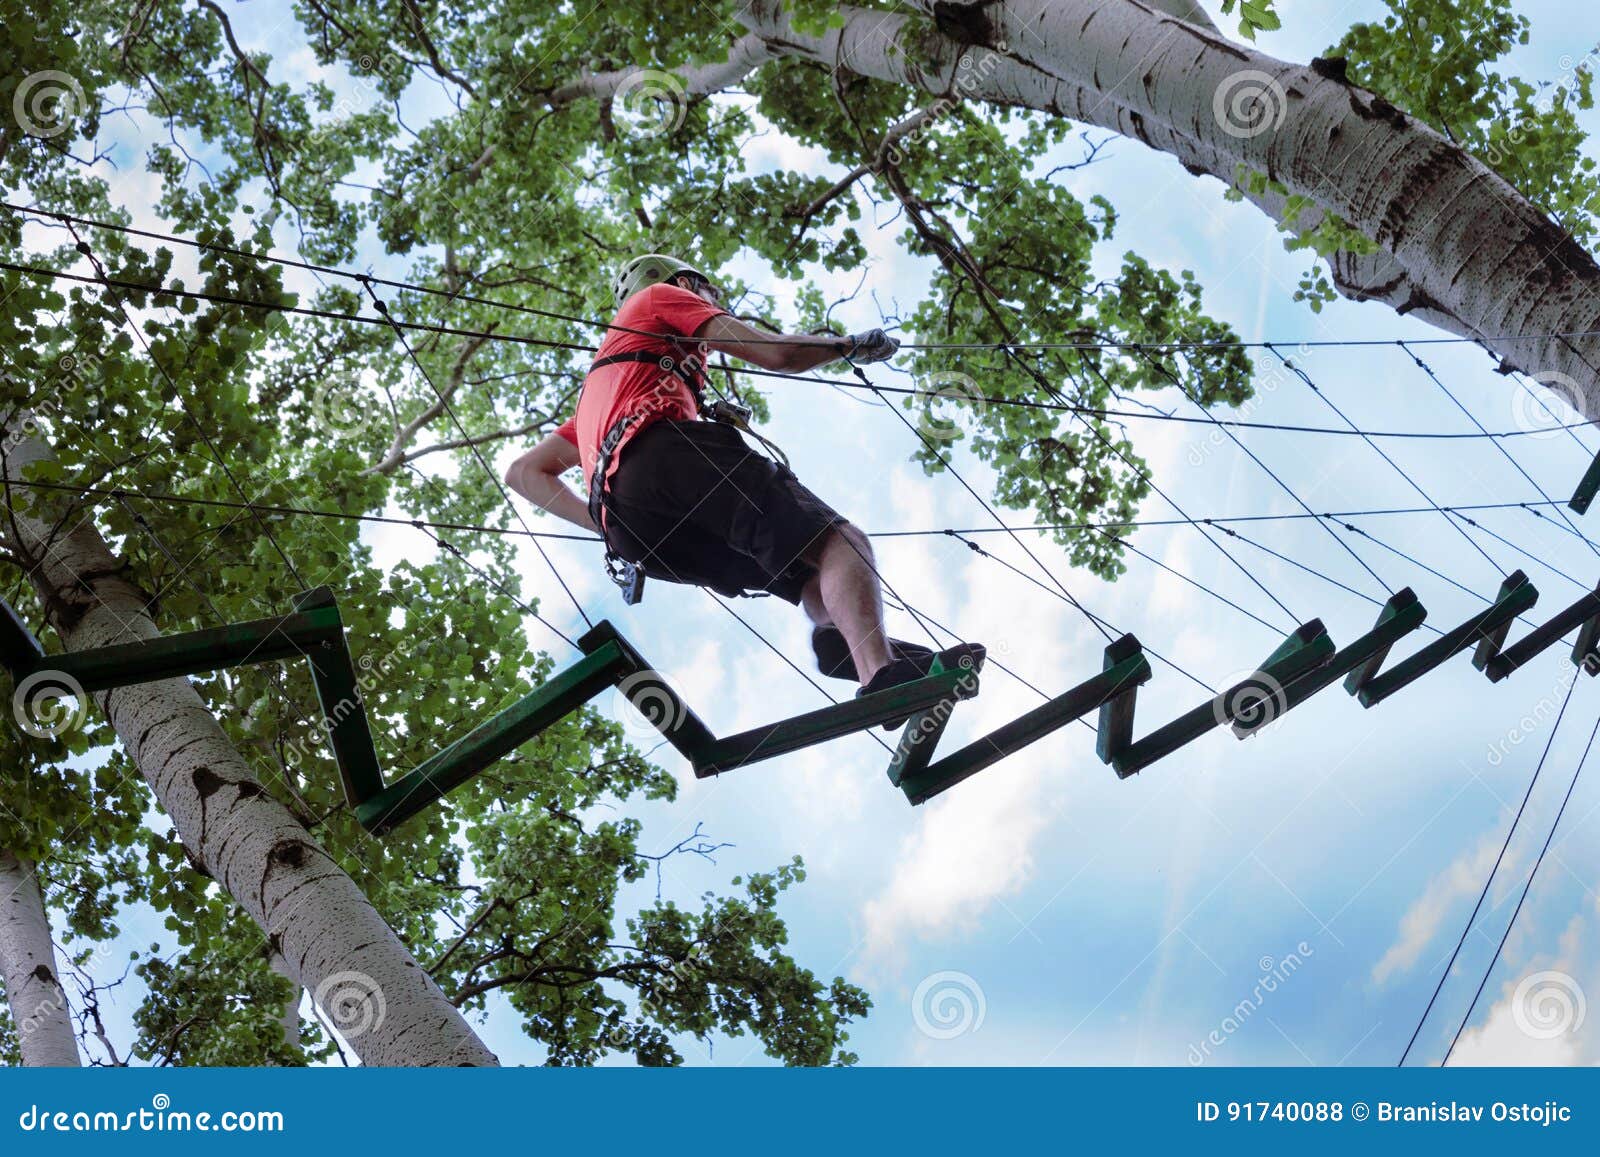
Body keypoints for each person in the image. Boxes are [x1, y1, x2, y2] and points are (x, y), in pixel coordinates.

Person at [505, 253, 945, 701]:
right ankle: (879, 675)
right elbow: (778, 353)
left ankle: (845, 642)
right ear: (685, 283)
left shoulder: (603, 389)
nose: (715, 302)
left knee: (807, 571)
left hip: (636, 537)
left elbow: (524, 473)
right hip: (664, 455)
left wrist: (600, 523)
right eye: (711, 294)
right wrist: (847, 346)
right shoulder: (662, 297)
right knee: (840, 543)